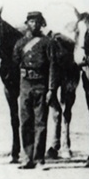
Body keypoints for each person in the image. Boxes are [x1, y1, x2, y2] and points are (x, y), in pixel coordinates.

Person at [13, 11, 57, 170]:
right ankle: (27, 157)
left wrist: (51, 89)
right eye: (31, 21)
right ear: (27, 24)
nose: (34, 24)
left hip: (41, 84)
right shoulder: (20, 43)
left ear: (41, 23)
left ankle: (39, 159)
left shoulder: (48, 42)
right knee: (25, 121)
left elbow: (53, 66)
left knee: (40, 122)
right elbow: (15, 64)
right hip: (25, 85)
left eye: (37, 22)